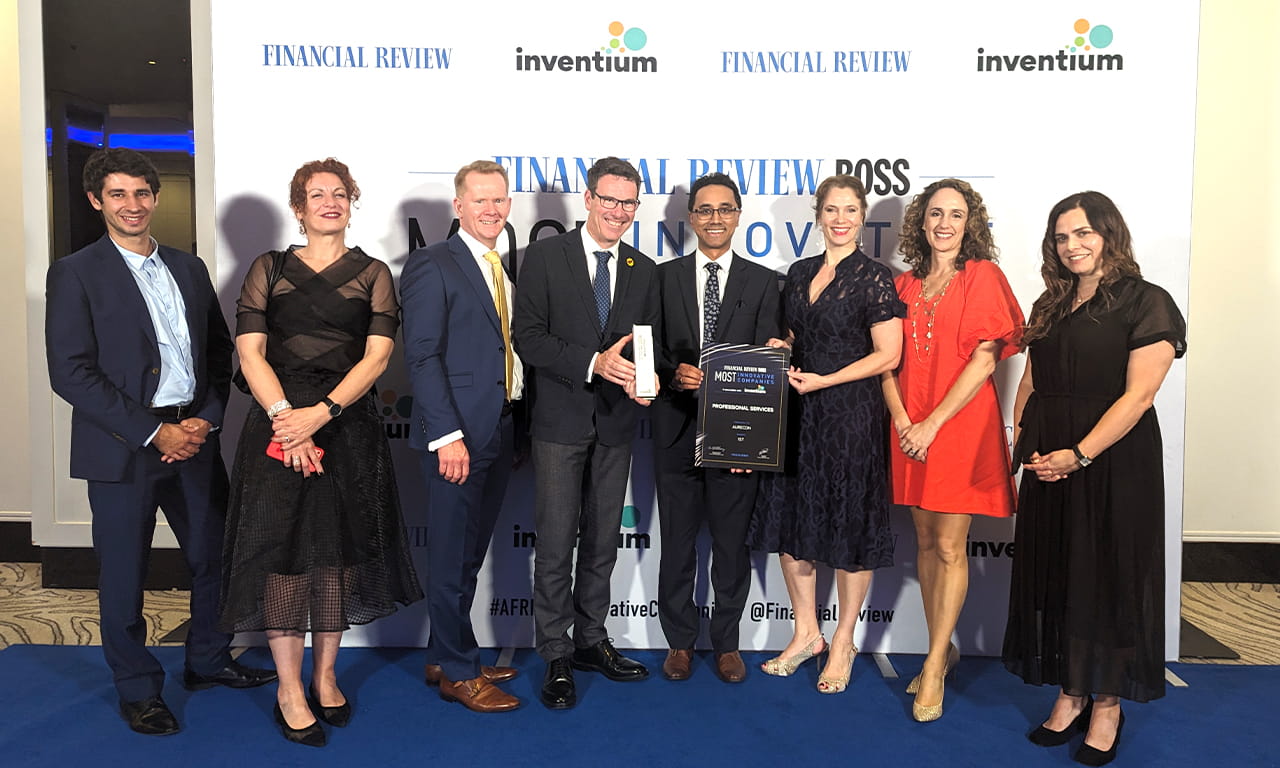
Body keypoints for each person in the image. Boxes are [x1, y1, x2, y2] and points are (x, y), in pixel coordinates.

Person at [45, 148, 276, 736]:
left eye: (142, 193)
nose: (132, 204)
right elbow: (70, 372)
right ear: (96, 201)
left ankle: (208, 660)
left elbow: (219, 353)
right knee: (125, 574)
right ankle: (139, 690)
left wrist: (205, 420)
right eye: (118, 194)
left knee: (213, 556)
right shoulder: (75, 273)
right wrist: (154, 431)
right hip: (123, 447)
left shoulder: (189, 267)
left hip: (194, 439)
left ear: (155, 197)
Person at [218, 158, 423, 746]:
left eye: (340, 194)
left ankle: (326, 676)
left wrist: (322, 414)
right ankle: (289, 687)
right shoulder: (269, 268)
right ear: (299, 207)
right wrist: (288, 421)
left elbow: (377, 358)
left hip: (347, 426)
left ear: (351, 204)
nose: (330, 202)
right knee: (283, 555)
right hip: (277, 424)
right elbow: (250, 353)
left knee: (335, 555)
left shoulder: (374, 273)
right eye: (317, 195)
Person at [1003, 191, 1185, 767]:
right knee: (1062, 574)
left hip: (1112, 463)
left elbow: (1139, 397)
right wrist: (1022, 445)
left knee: (1108, 577)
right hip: (1048, 461)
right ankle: (1071, 690)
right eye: (1062, 237)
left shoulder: (1147, 301)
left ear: (1109, 233)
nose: (1072, 245)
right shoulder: (1050, 302)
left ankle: (1107, 704)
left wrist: (1078, 455)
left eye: (1083, 233)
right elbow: (1031, 381)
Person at [512, 156, 660, 709]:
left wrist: (647, 380)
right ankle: (556, 652)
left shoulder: (643, 268)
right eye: (610, 199)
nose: (619, 211)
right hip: (558, 422)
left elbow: (646, 343)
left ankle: (591, 640)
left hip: (617, 423)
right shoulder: (546, 257)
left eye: (629, 203)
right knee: (555, 544)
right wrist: (593, 363)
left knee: (601, 542)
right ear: (589, 199)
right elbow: (528, 336)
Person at [747, 174, 904, 693]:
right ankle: (805, 634)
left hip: (851, 416)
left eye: (850, 210)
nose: (840, 219)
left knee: (850, 525)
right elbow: (798, 333)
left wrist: (826, 380)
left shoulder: (874, 277)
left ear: (863, 218)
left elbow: (889, 354)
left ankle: (842, 641)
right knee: (794, 522)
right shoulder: (798, 272)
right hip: (799, 413)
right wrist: (784, 345)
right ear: (818, 216)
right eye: (832, 210)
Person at [880, 179, 1024, 722]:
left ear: (971, 224)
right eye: (935, 213)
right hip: (909, 427)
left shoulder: (982, 276)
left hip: (959, 428)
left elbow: (986, 359)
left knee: (948, 545)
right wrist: (903, 421)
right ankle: (943, 648)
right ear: (921, 222)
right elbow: (886, 360)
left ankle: (936, 662)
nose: (944, 223)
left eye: (956, 214)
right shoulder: (903, 285)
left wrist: (932, 424)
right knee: (924, 540)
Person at [400, 160, 523, 713]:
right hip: (456, 436)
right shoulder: (432, 264)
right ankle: (458, 673)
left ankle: (446, 654)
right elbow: (422, 357)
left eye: (498, 200)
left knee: (469, 556)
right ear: (459, 206)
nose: (491, 209)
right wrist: (446, 434)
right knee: (450, 558)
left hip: (498, 427)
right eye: (479, 200)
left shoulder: (501, 267)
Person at [651, 173, 781, 683]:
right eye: (705, 210)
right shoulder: (663, 277)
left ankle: (727, 643)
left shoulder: (763, 281)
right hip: (675, 429)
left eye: (724, 209)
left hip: (738, 437)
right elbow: (649, 348)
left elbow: (769, 358)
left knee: (731, 547)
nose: (715, 219)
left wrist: (757, 437)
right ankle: (679, 642)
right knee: (677, 545)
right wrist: (671, 374)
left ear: (738, 215)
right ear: (691, 218)